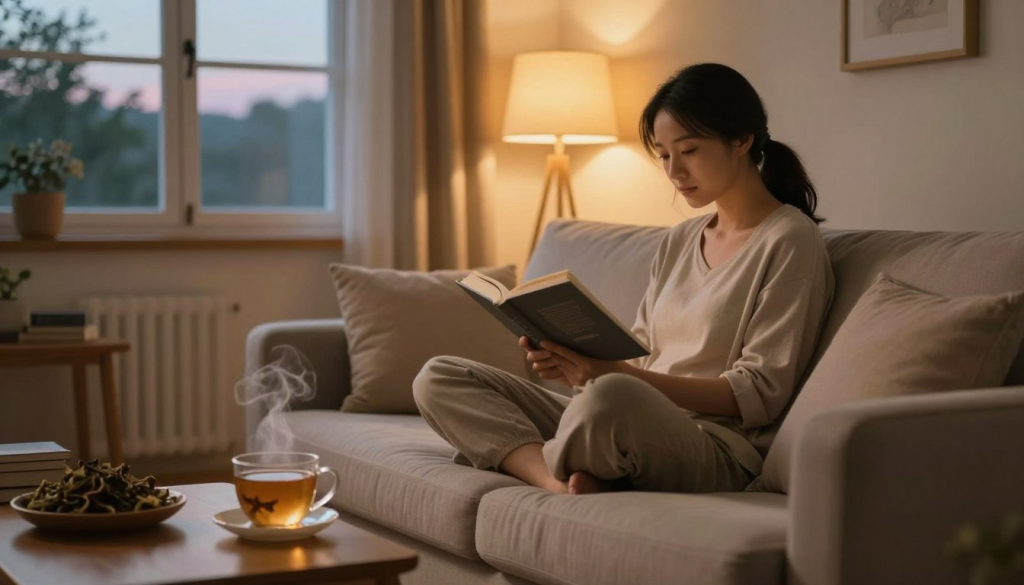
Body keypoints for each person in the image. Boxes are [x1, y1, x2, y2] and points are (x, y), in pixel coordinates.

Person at [413, 63, 834, 495]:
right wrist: (578, 367)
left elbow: (760, 393)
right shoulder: (681, 239)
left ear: (741, 140)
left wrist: (615, 379)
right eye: (664, 155)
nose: (674, 172)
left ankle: (544, 460)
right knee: (440, 376)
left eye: (688, 151)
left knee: (609, 398)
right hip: (623, 413)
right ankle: (555, 476)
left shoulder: (790, 239)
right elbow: (641, 354)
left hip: (710, 445)